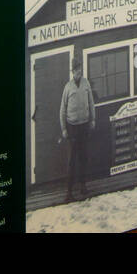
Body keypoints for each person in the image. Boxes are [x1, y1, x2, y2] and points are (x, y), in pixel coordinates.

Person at [59, 58, 96, 202]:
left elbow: (91, 102)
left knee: (83, 157)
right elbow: (62, 109)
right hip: (72, 127)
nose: (78, 71)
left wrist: (93, 119)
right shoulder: (67, 87)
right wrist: (63, 128)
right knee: (72, 160)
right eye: (75, 69)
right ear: (72, 72)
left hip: (84, 125)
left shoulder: (86, 83)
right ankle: (69, 192)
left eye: (79, 69)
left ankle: (83, 186)